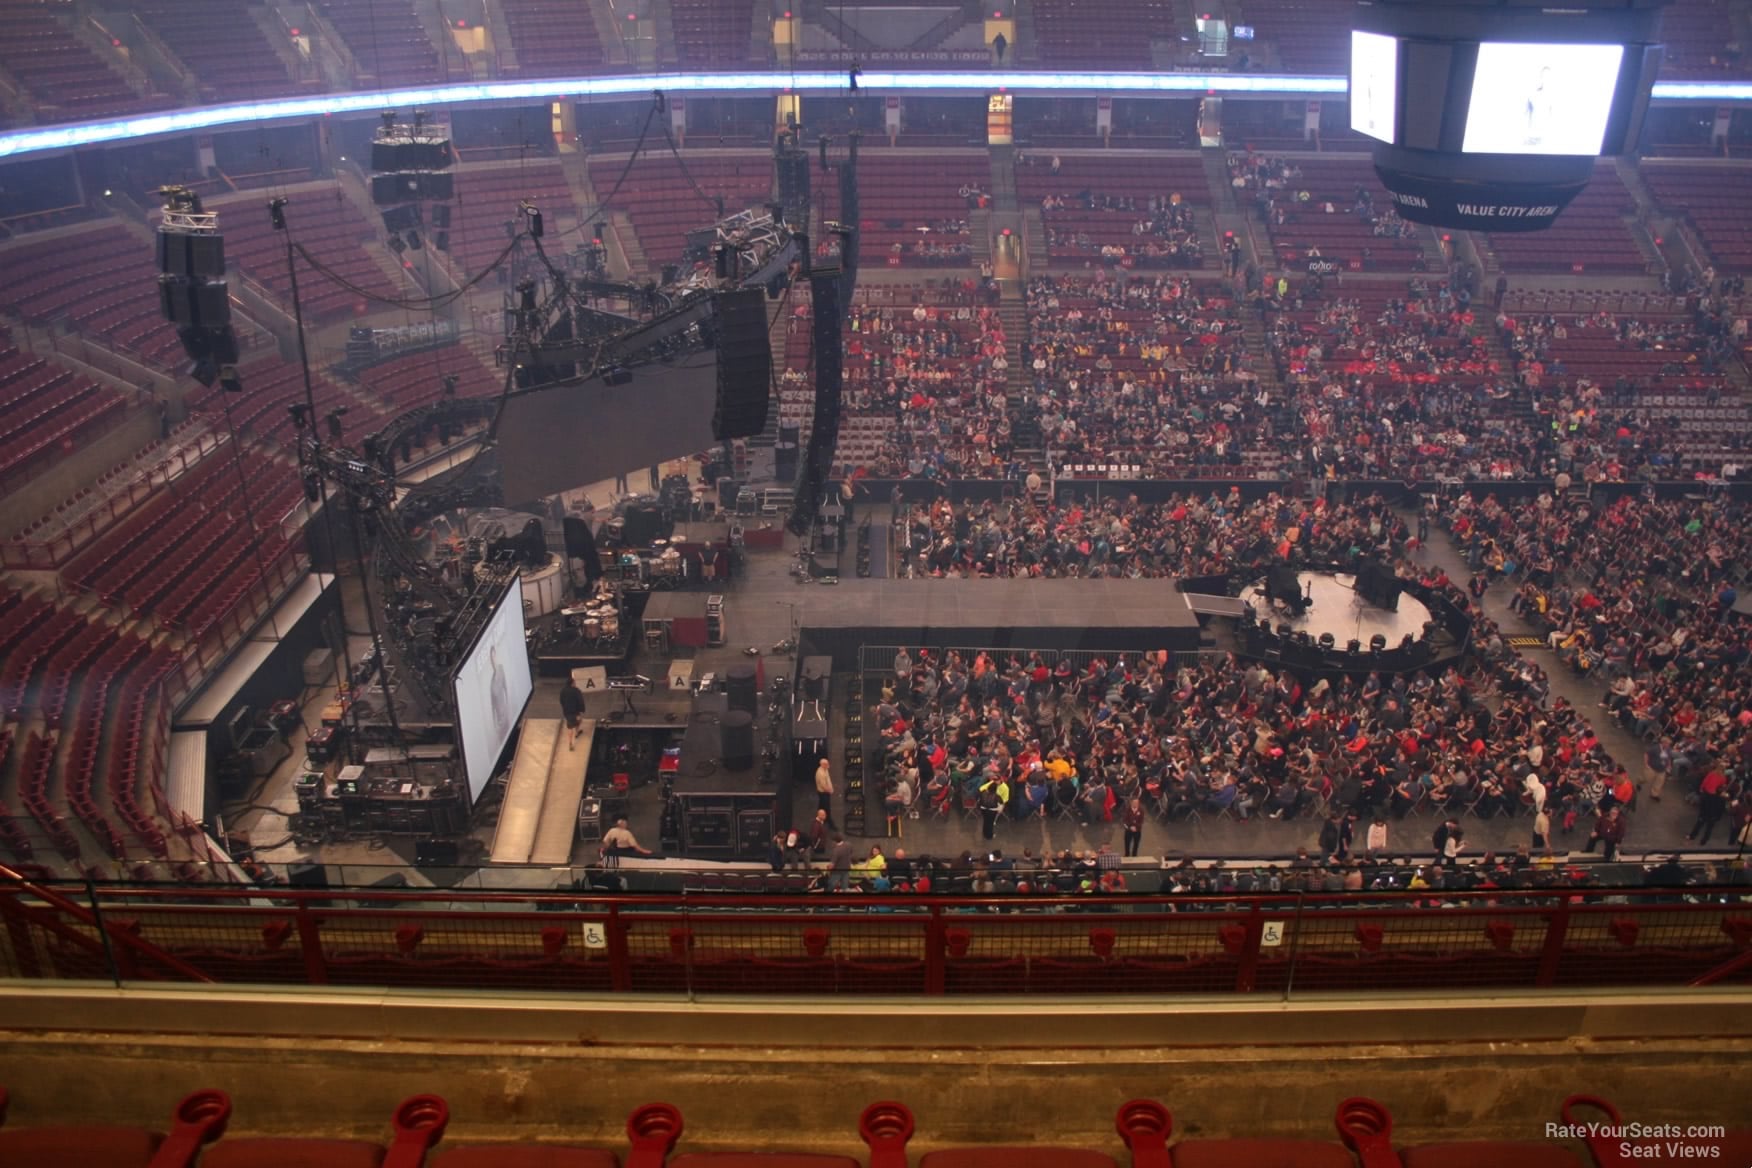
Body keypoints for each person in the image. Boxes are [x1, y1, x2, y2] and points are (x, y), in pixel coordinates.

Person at [559, 676, 586, 749]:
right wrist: (582, 710)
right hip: (575, 712)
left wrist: (565, 707)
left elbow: (561, 700)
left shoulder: (563, 691)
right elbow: (580, 701)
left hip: (567, 712)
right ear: (572, 683)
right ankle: (574, 737)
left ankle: (572, 740)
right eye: (574, 682)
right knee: (578, 721)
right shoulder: (576, 691)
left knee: (570, 726)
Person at [815, 757, 837, 829]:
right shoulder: (820, 773)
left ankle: (819, 818)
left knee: (821, 805)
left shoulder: (825, 769)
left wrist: (831, 787)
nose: (828, 765)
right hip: (823, 793)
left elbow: (828, 779)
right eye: (826, 764)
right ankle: (829, 821)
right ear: (822, 765)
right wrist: (830, 791)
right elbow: (823, 786)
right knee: (826, 807)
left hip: (825, 792)